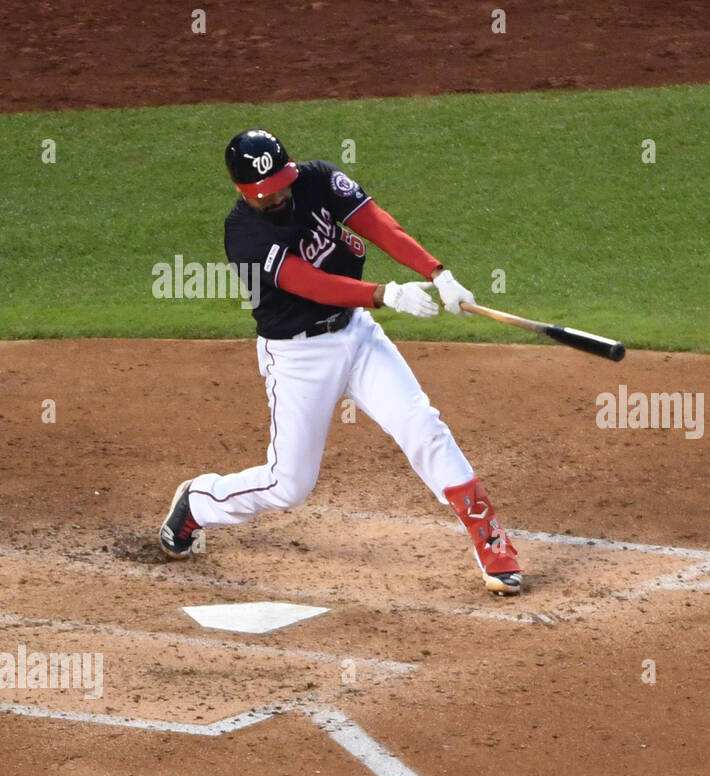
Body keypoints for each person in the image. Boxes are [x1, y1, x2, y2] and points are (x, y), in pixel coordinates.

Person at [159, 128, 522, 596]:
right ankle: (198, 503)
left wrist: (438, 272)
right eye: (266, 195)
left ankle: (491, 542)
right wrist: (384, 294)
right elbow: (308, 283)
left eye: (283, 185)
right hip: (297, 356)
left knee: (422, 426)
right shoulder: (243, 235)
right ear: (242, 192)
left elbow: (376, 224)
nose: (280, 198)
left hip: (356, 334)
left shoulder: (319, 179)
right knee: (289, 485)